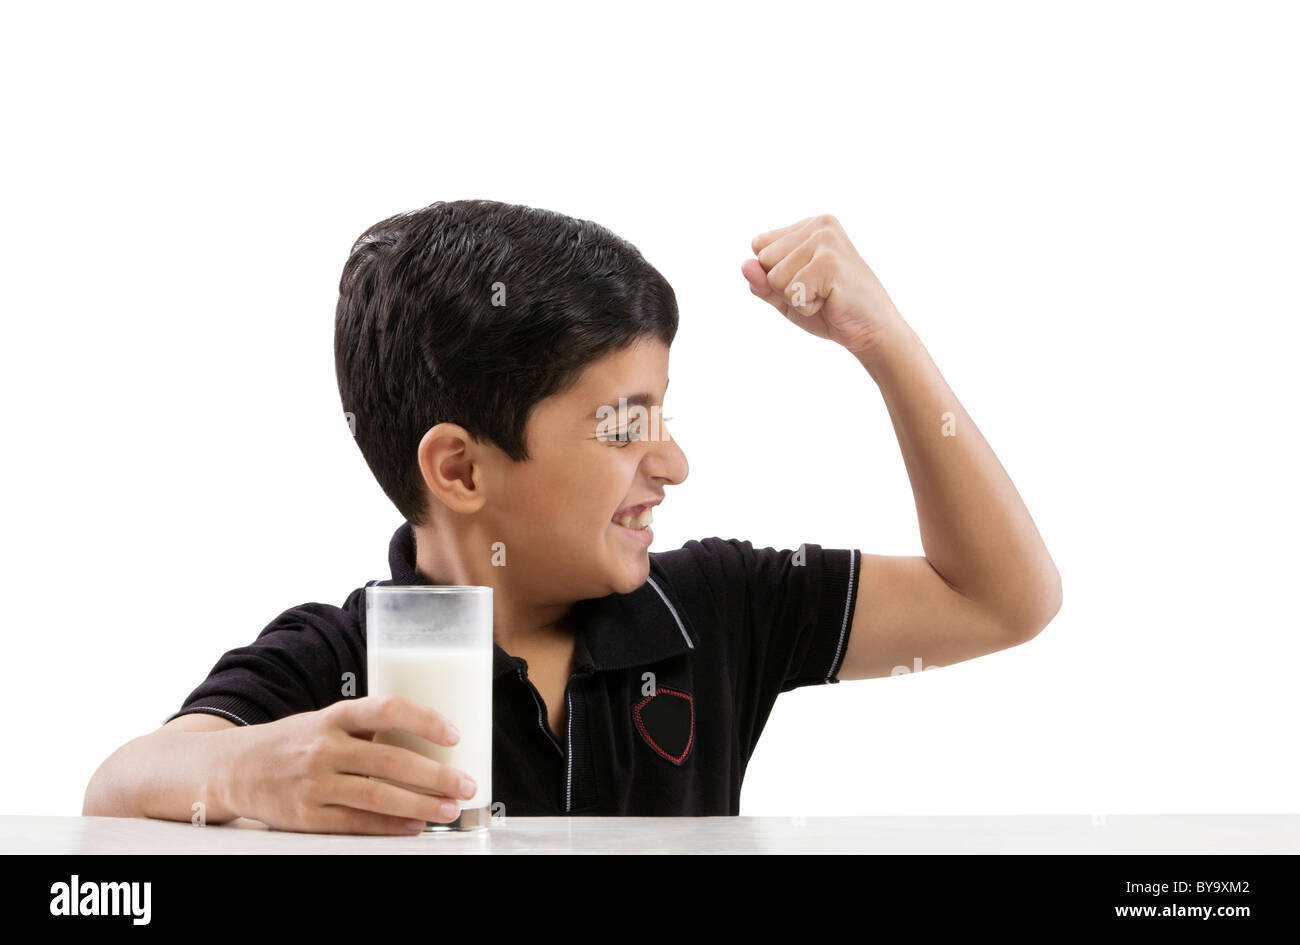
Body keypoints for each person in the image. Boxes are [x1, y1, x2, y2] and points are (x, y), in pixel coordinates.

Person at [83, 200, 1061, 832]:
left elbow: (999, 599)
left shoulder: (711, 611)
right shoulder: (345, 662)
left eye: (663, 412)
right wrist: (254, 771)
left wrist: (880, 339)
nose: (673, 461)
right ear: (460, 469)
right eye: (625, 425)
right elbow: (124, 785)